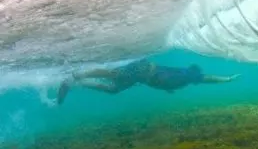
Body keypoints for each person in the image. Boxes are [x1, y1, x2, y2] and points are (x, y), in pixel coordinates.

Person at [57, 58, 240, 105]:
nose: (197, 80)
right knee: (114, 75)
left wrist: (165, 89)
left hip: (143, 74)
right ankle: (79, 74)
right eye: (197, 77)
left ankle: (79, 81)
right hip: (144, 71)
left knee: (113, 87)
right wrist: (226, 80)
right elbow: (208, 79)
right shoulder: (188, 76)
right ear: (195, 74)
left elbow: (167, 81)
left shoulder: (183, 77)